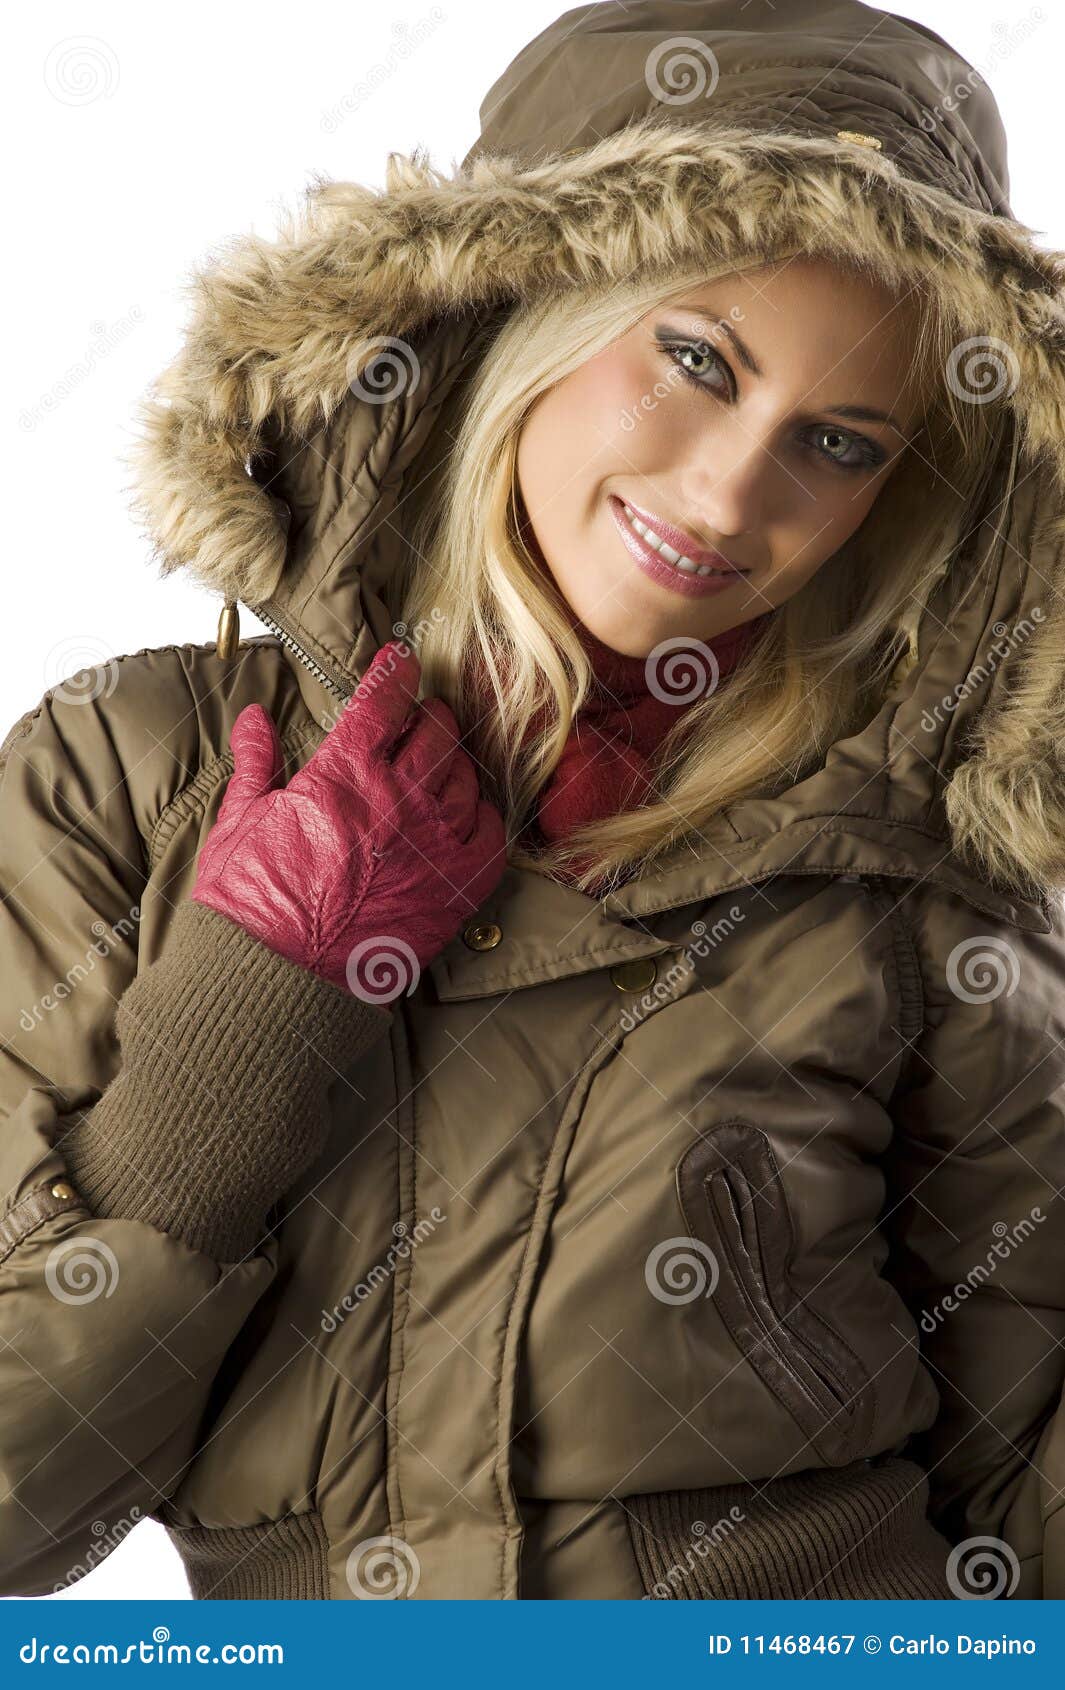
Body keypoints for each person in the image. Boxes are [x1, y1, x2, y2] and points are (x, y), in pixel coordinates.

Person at [2, 0, 1064, 1603]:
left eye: (837, 443)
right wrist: (256, 1000)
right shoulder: (127, 773)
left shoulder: (904, 860)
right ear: (519, 307)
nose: (730, 494)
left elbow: (1025, 1513)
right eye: (693, 362)